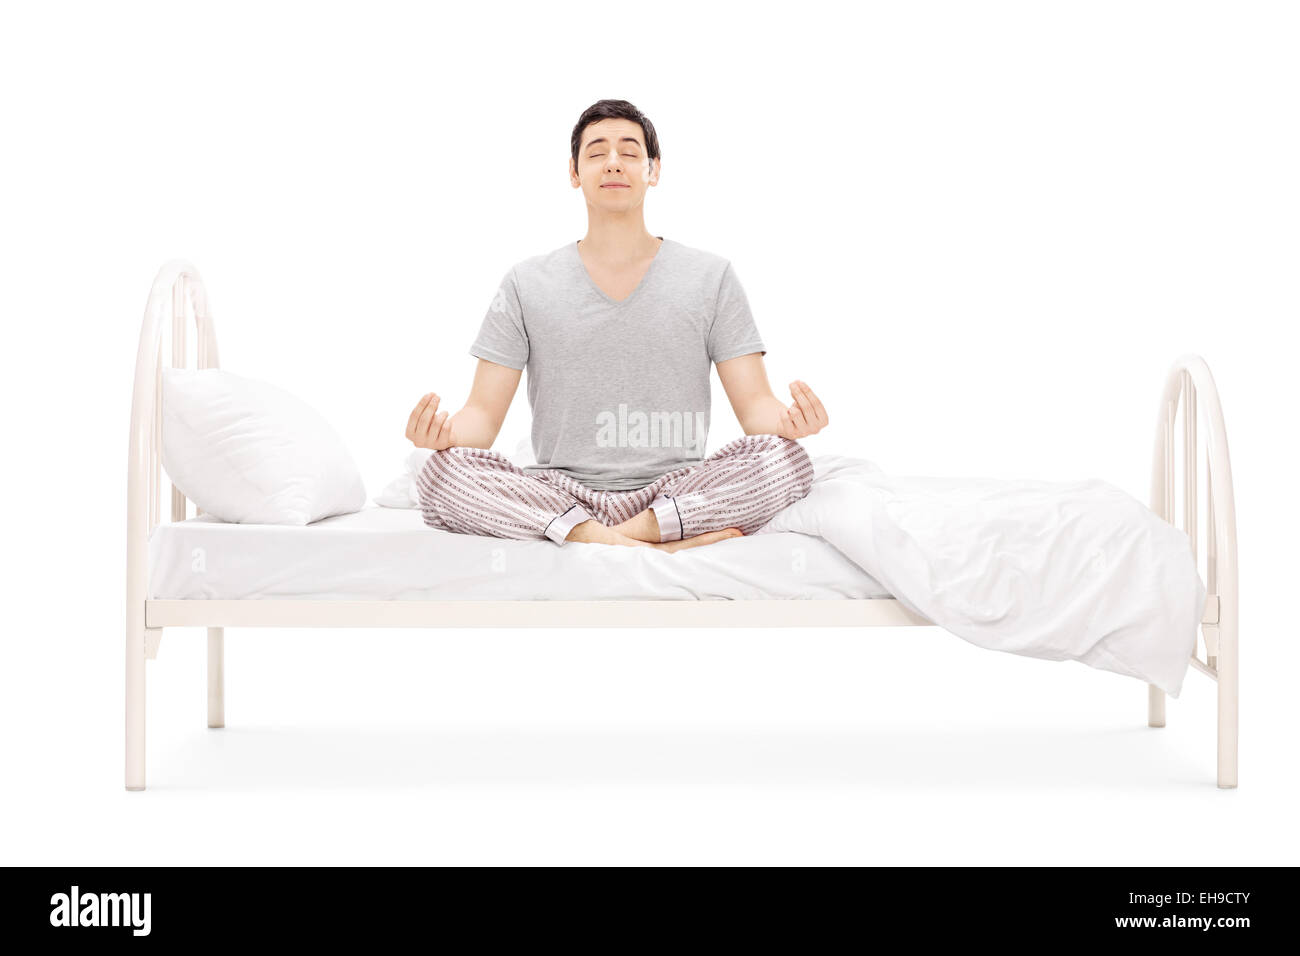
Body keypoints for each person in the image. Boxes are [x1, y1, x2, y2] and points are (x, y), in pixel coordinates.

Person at [406, 99, 829, 552]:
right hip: (562, 492)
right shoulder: (525, 282)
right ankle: (637, 543)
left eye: (629, 152)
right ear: (574, 173)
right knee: (438, 472)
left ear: (653, 170)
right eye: (596, 153)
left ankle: (622, 536)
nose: (613, 163)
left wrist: (788, 423)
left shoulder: (712, 277)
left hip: (675, 490)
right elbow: (483, 417)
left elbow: (755, 410)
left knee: (787, 460)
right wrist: (446, 437)